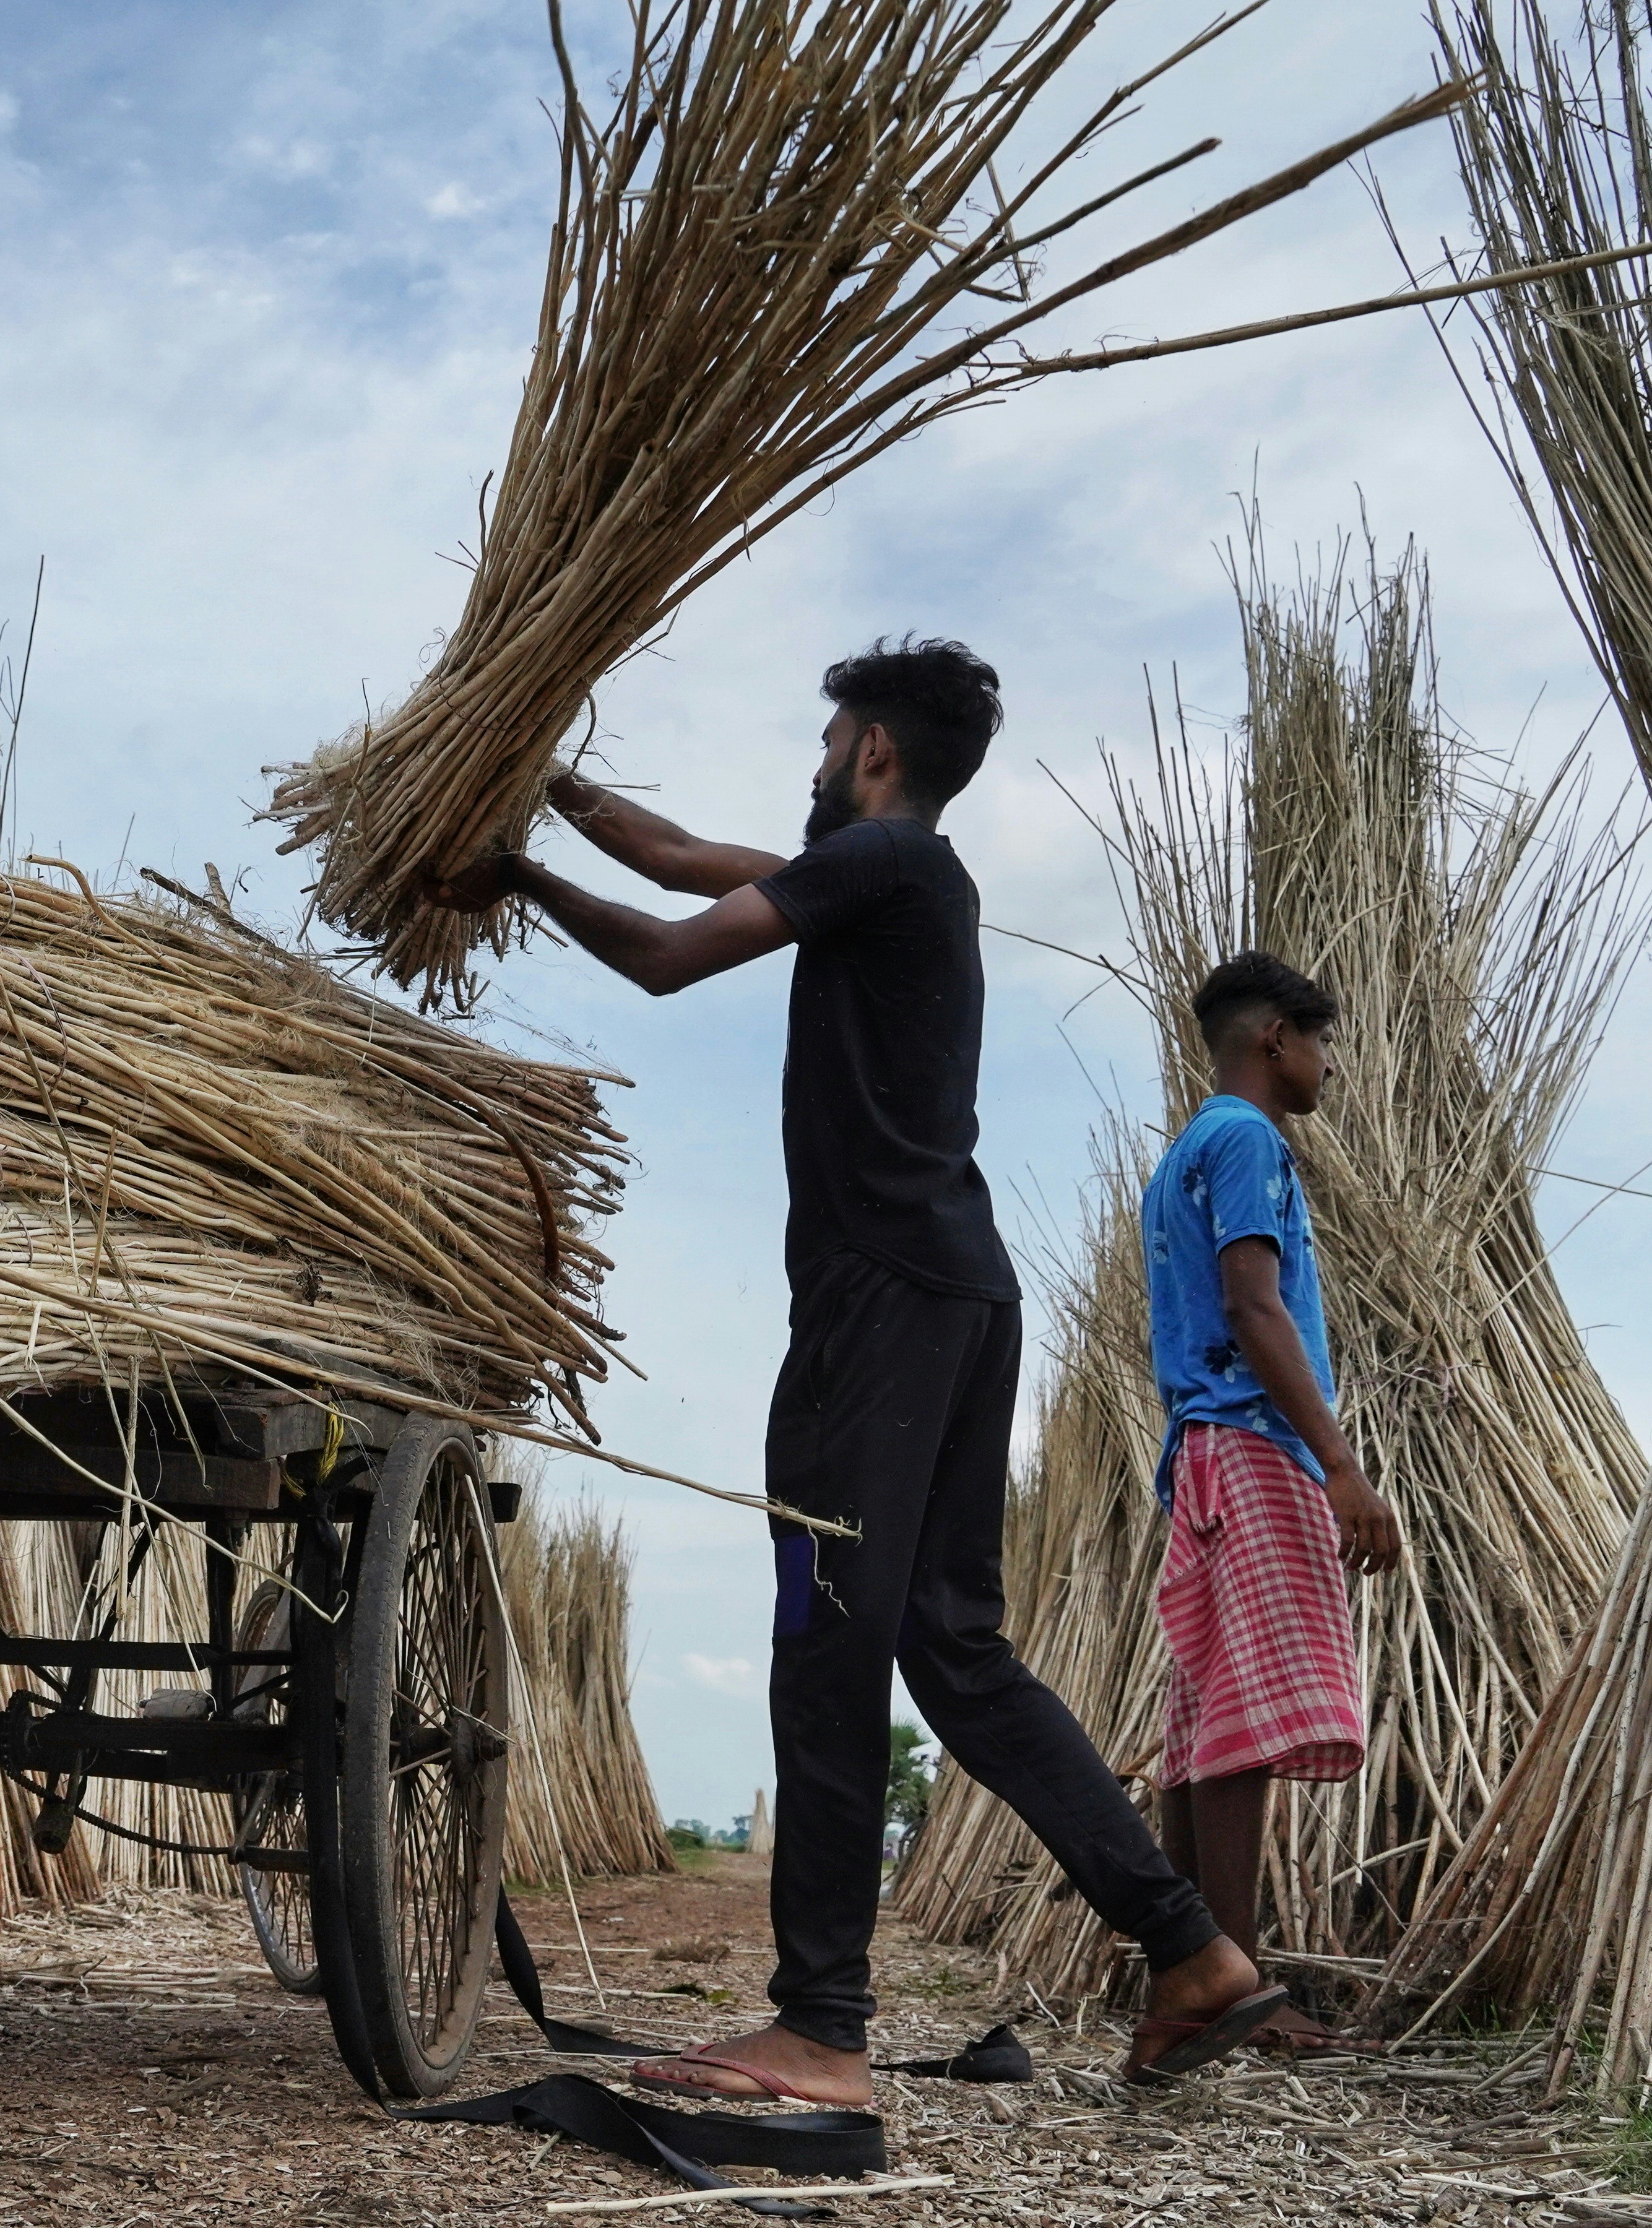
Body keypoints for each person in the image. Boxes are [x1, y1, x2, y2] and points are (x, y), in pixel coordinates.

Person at [425, 637, 1287, 2103]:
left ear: (873, 749)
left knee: (827, 1632)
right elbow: (685, 856)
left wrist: (514, 880)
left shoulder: (885, 865)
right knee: (955, 1649)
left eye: (828, 743)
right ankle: (1194, 1950)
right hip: (960, 1293)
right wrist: (533, 773)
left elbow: (662, 951)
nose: (814, 767)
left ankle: (821, 2027)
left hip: (879, 1307)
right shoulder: (897, 881)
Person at [1139, 951, 1402, 2054]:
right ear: (1275, 1041)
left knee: (1203, 1728)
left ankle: (1197, 1972)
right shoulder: (1248, 1142)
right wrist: (1340, 1465)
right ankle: (1234, 1992)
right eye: (1324, 1043)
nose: (1333, 1067)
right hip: (1253, 1446)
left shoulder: (1183, 1153)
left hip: (1203, 1450)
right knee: (1238, 1726)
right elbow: (1257, 1307)